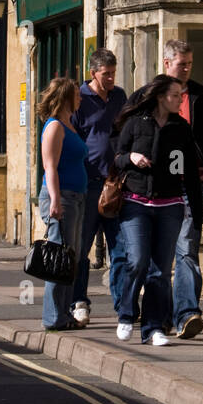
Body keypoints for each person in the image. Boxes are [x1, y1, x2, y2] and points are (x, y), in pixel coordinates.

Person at [126, 40, 203, 339]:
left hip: (189, 187)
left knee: (186, 251)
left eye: (190, 64)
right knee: (153, 259)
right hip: (151, 193)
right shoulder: (144, 97)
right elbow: (122, 139)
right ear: (166, 63)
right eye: (182, 64)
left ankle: (187, 314)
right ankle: (156, 315)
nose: (186, 69)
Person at [113, 74, 202, 346]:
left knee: (160, 271)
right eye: (176, 95)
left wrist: (197, 211)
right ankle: (127, 314)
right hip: (136, 202)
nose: (180, 99)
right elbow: (116, 157)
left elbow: (190, 173)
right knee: (137, 260)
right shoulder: (135, 122)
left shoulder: (181, 128)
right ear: (162, 97)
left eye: (181, 95)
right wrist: (131, 158)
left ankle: (153, 328)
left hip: (170, 205)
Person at [69, 49, 127, 327]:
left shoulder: (119, 96)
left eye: (113, 73)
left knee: (121, 250)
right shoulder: (80, 99)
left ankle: (123, 305)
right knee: (81, 250)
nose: (111, 78)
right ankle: (79, 302)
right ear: (93, 73)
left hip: (116, 184)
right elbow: (73, 139)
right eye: (106, 75)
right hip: (89, 185)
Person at [38, 76, 88, 331]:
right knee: (59, 261)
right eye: (77, 95)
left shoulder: (70, 124)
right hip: (61, 199)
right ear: (66, 98)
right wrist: (56, 201)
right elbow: (50, 167)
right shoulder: (55, 126)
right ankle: (53, 317)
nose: (80, 98)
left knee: (71, 260)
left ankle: (63, 315)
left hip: (76, 196)